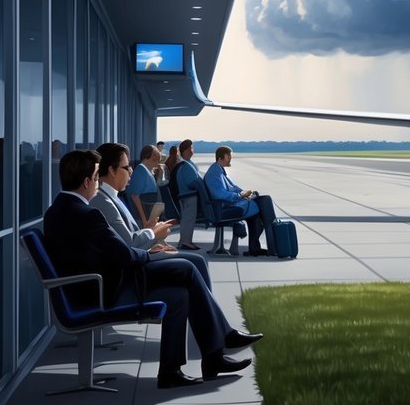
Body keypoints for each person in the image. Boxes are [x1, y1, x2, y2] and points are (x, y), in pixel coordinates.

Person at [43, 149, 261, 388]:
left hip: (91, 286)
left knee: (179, 293)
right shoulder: (87, 214)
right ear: (86, 182)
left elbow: (109, 252)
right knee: (187, 268)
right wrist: (149, 252)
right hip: (105, 289)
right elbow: (125, 255)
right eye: (96, 178)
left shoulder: (57, 211)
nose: (97, 183)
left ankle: (185, 367)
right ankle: (218, 346)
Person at [88, 143, 213, 290]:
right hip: (132, 270)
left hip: (139, 254)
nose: (131, 171)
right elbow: (128, 245)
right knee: (195, 263)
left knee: (197, 262)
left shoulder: (112, 197)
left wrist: (150, 233)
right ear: (112, 171)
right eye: (126, 167)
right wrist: (153, 233)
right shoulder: (104, 202)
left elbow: (124, 238)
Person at [203, 146, 277, 256]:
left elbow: (232, 187)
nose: (230, 159)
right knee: (264, 202)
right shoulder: (214, 173)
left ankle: (257, 248)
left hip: (229, 203)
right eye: (228, 157)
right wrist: (239, 195)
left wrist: (244, 193)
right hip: (223, 208)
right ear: (220, 158)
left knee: (259, 209)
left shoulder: (219, 171)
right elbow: (219, 194)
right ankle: (273, 245)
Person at [172, 140, 202, 250]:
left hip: (186, 196)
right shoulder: (185, 165)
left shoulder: (186, 164)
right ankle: (186, 241)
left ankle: (184, 241)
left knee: (187, 219)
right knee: (188, 219)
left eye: (192, 149)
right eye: (190, 149)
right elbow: (193, 182)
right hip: (188, 196)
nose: (192, 151)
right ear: (184, 151)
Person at [126, 145, 161, 226]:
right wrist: (144, 221)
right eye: (157, 153)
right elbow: (134, 196)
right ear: (153, 155)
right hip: (143, 220)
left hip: (150, 217)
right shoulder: (141, 170)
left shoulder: (147, 170)